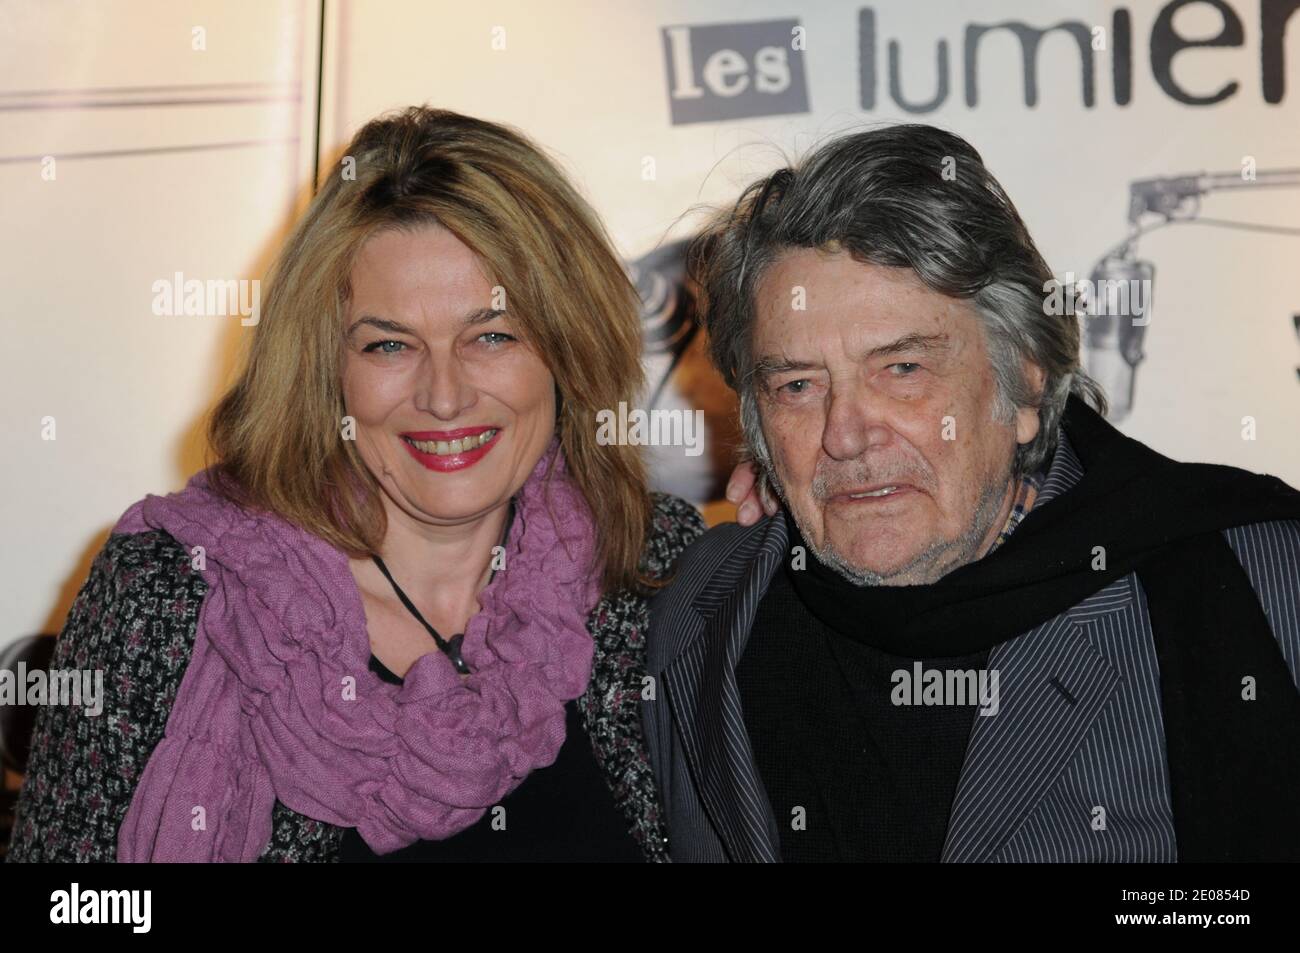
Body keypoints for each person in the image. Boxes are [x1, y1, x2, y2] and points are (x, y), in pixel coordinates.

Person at [7, 106, 708, 863]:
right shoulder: (178, 590)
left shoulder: (653, 563)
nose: (445, 395)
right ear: (324, 367)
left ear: (568, 347)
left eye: (493, 335)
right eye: (389, 344)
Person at [643, 123, 1300, 862]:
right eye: (797, 385)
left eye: (903, 369)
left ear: (1024, 380)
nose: (846, 434)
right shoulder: (704, 614)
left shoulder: (1254, 583)